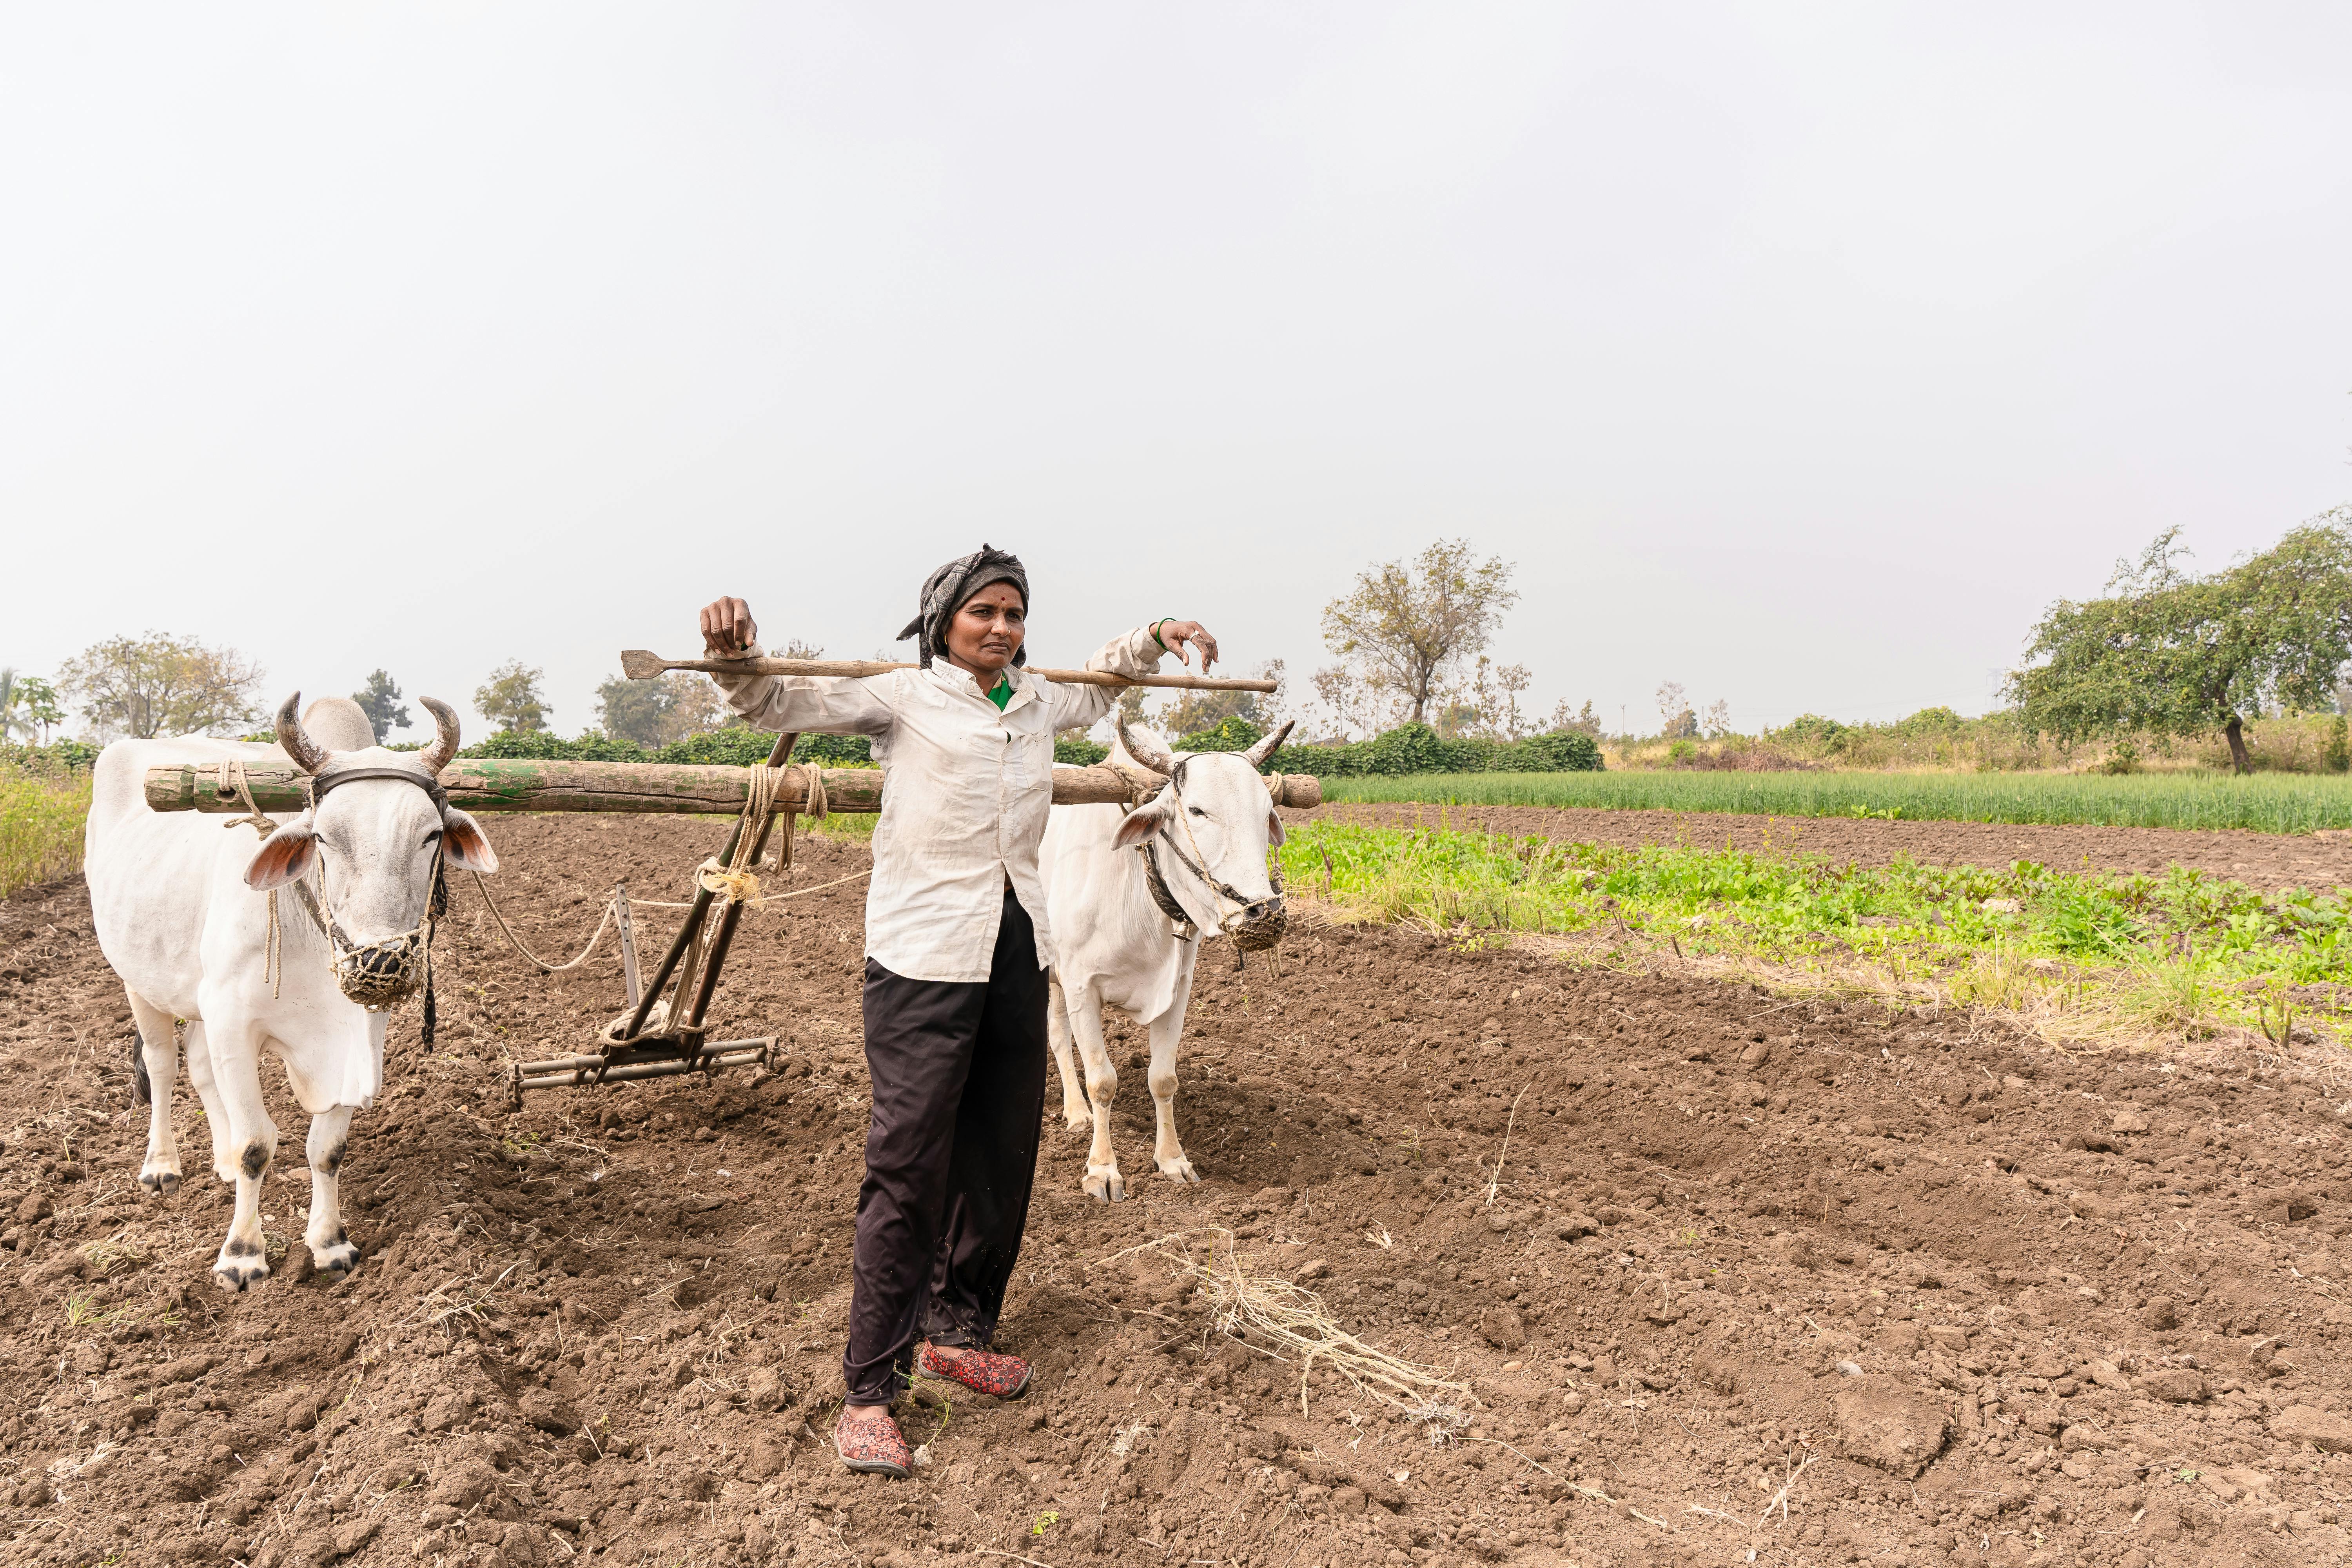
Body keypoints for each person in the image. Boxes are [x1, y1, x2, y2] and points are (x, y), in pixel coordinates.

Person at [696, 546, 1219, 1478]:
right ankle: (869, 1387)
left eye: (1016, 612)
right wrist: (739, 657)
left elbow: (1103, 689)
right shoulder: (902, 696)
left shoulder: (1038, 699)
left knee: (999, 1149)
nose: (1004, 628)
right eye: (985, 612)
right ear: (945, 621)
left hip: (1020, 946)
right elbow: (780, 704)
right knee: (907, 1166)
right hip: (924, 956)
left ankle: (957, 1327)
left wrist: (1156, 634)